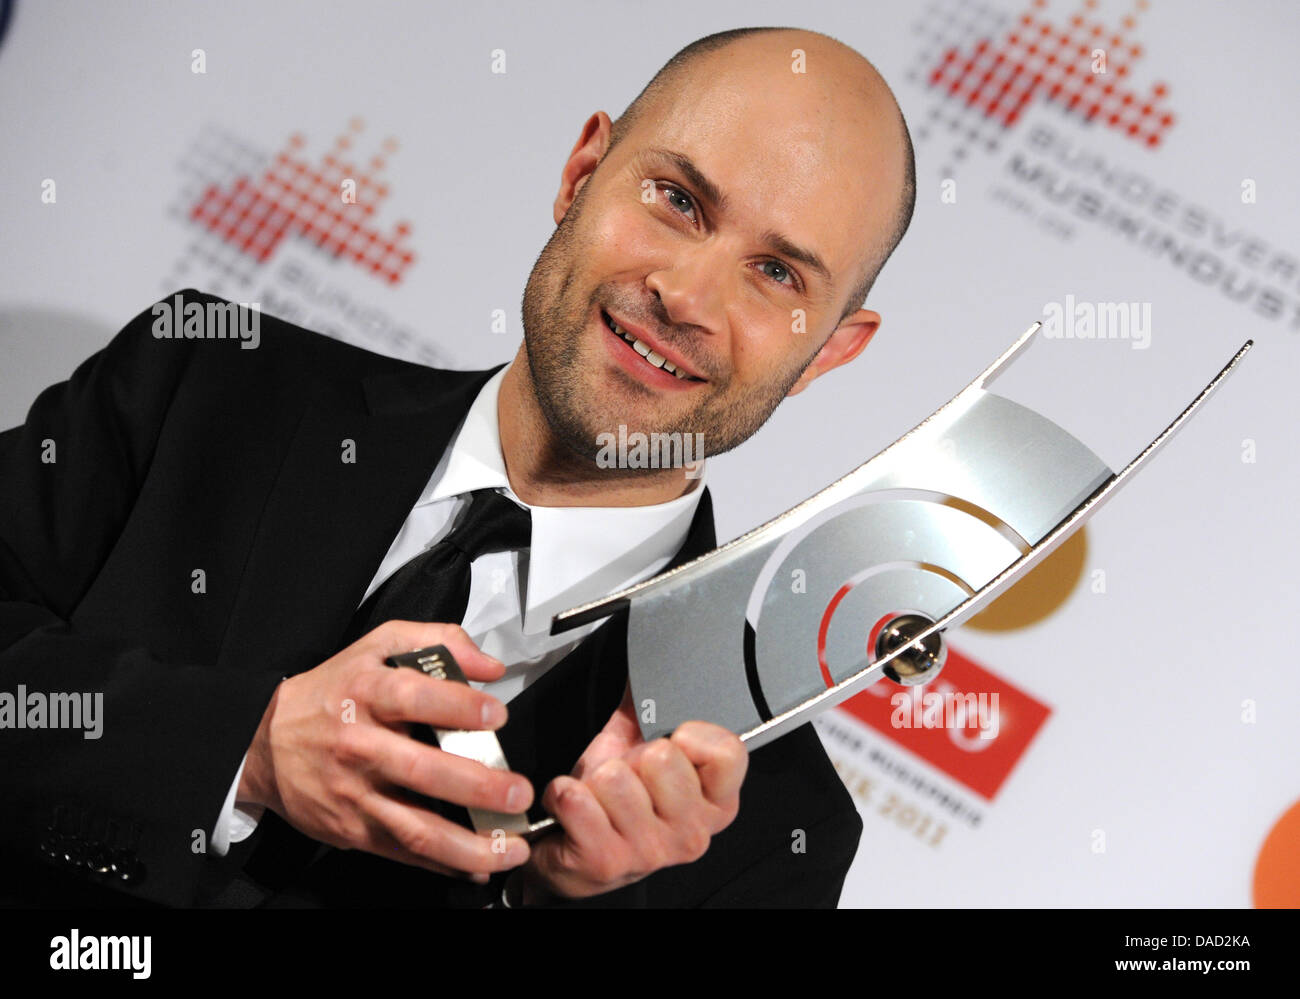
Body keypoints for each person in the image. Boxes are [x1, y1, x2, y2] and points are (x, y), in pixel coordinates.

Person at [0, 24, 915, 907]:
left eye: (777, 275)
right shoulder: (204, 382)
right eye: (678, 200)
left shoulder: (774, 828)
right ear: (582, 173)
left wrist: (554, 900)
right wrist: (243, 746)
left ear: (830, 350)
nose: (685, 295)